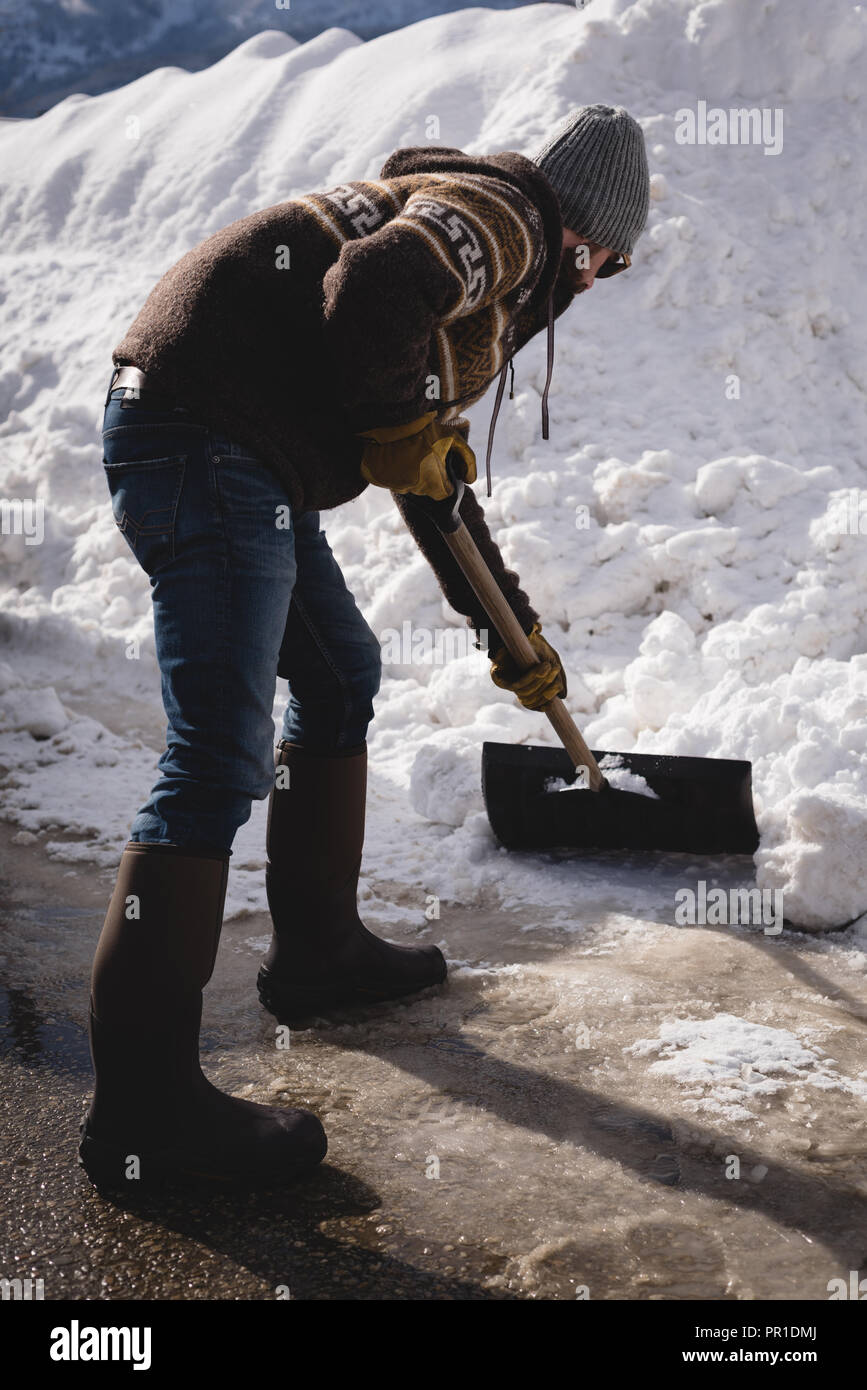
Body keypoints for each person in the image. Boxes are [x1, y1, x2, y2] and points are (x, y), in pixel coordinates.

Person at [80, 104, 650, 1189]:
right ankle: (144, 1116)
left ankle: (319, 954)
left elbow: (424, 472)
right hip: (205, 436)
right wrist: (402, 425)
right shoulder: (507, 220)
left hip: (233, 437)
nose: (597, 286)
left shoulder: (480, 227)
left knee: (341, 674)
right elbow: (376, 292)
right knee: (214, 756)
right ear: (589, 237)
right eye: (610, 266)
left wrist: (509, 634)